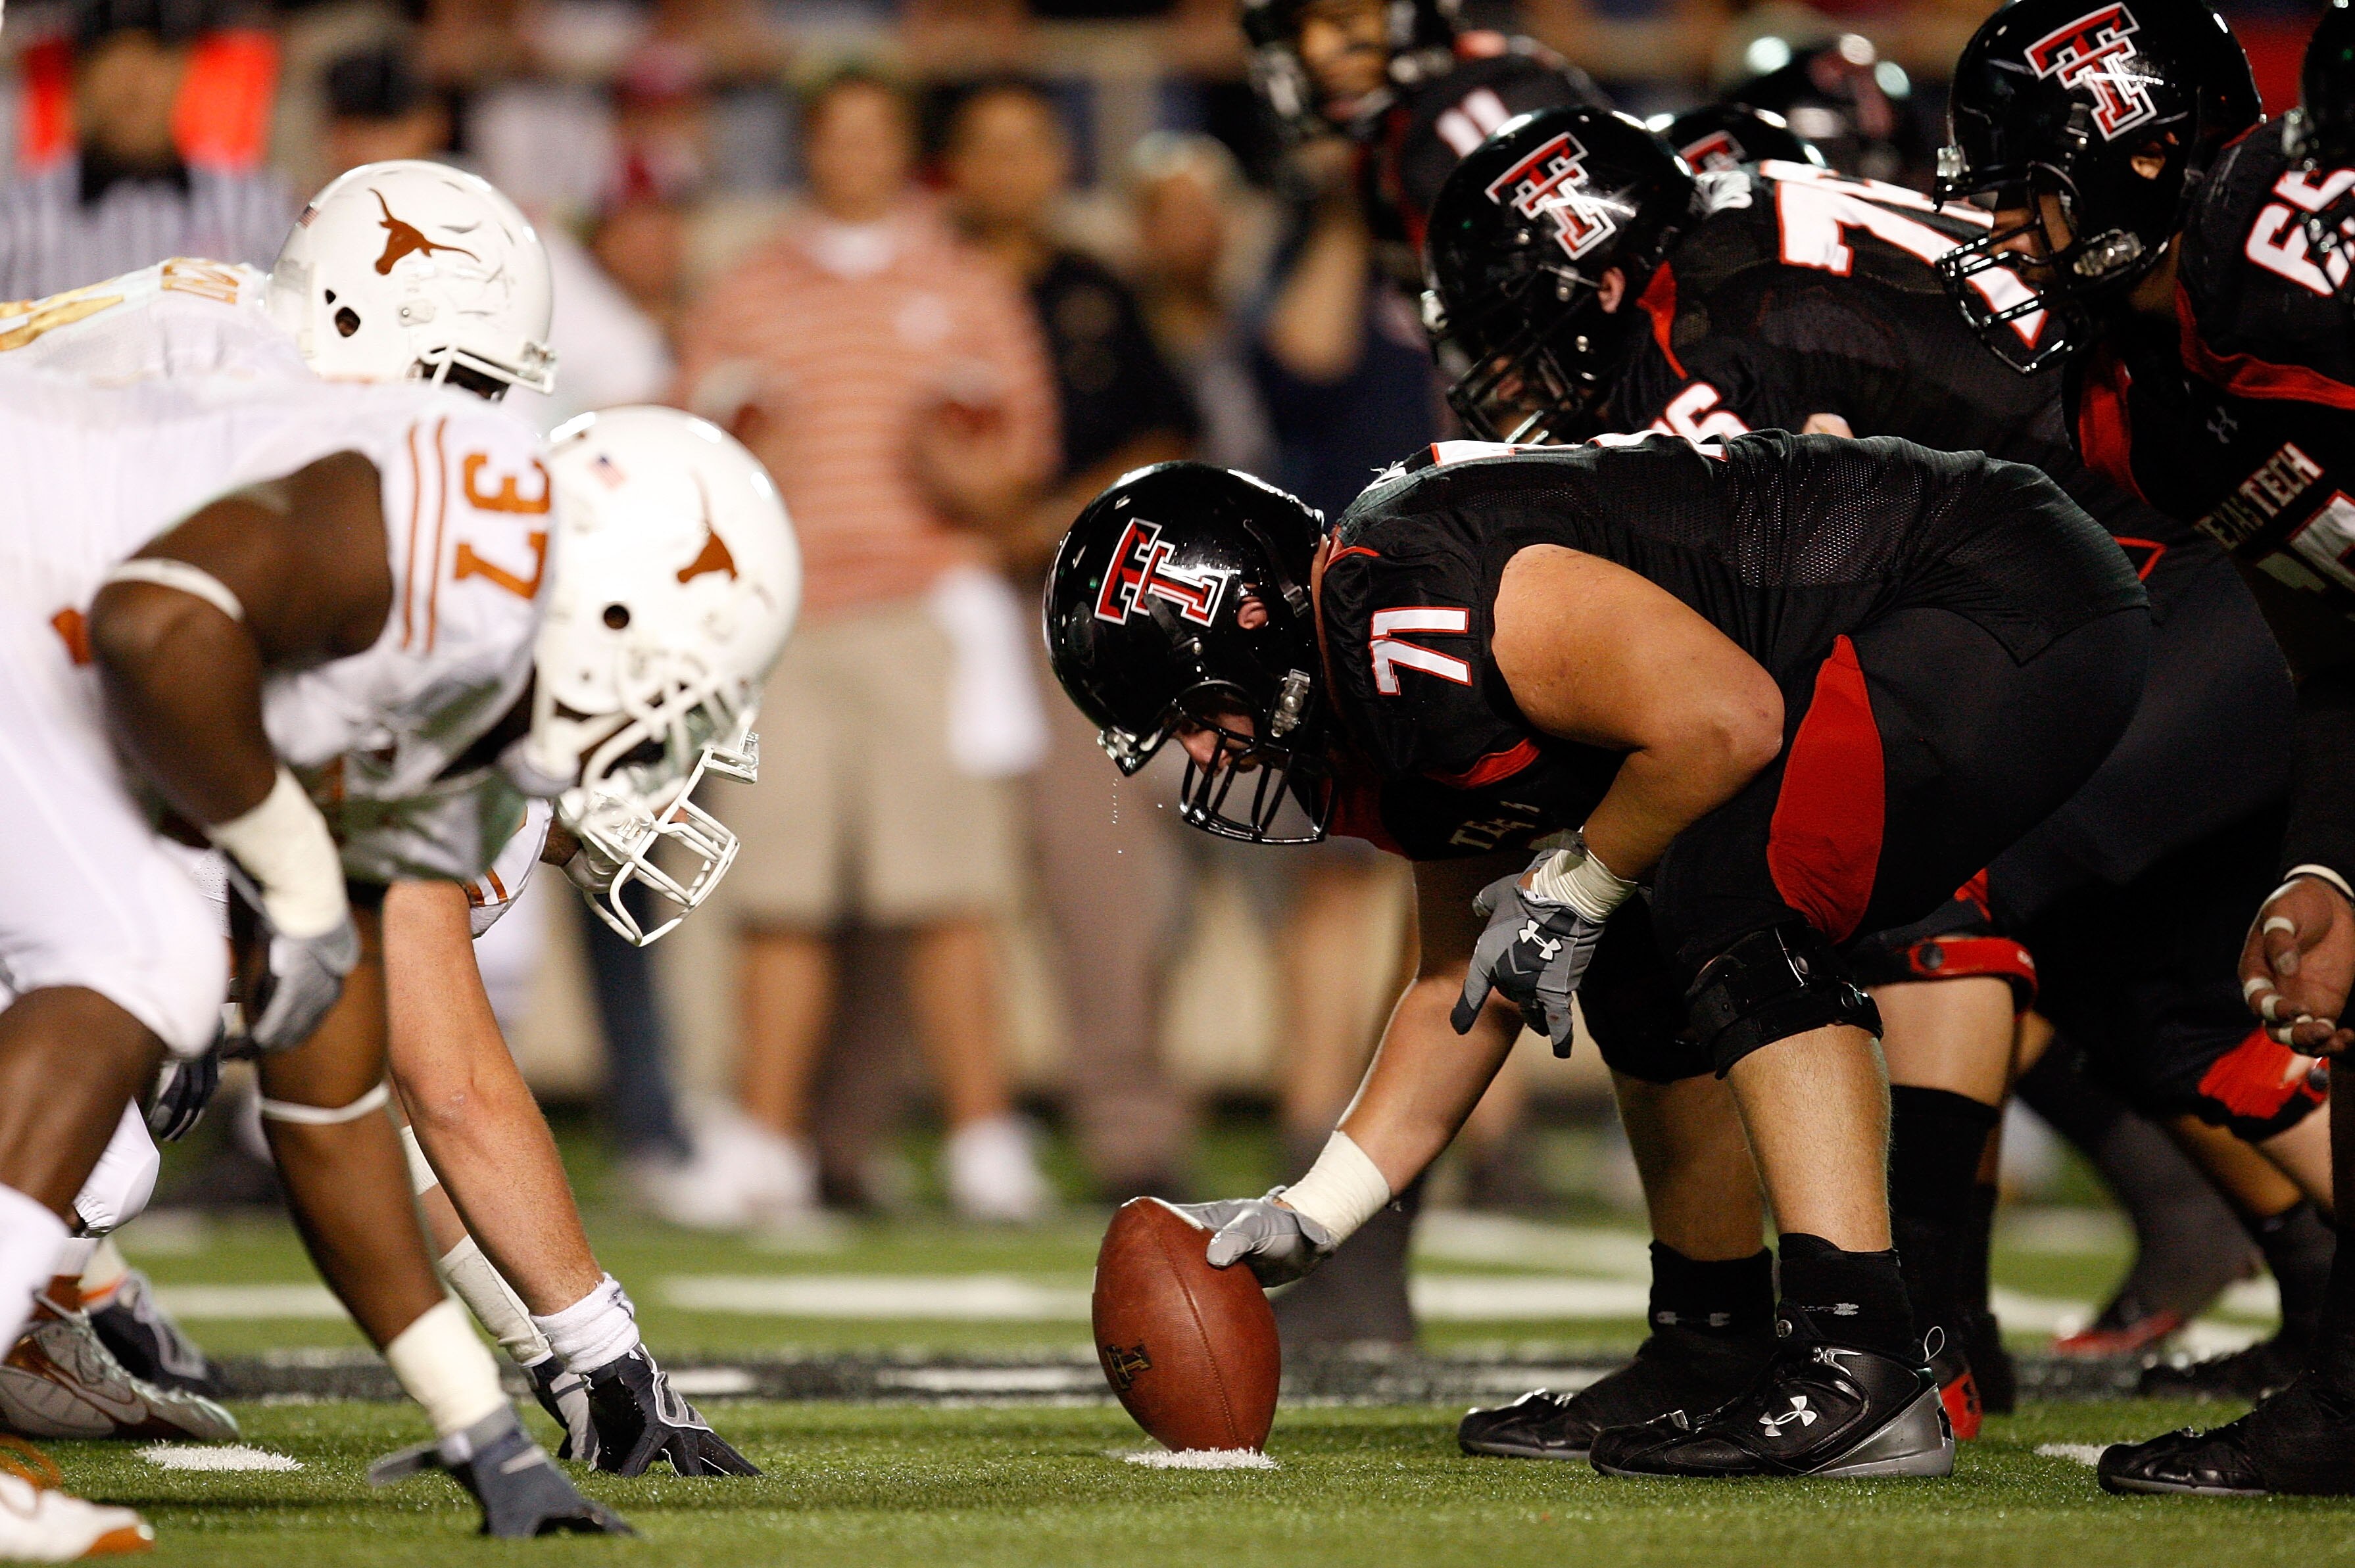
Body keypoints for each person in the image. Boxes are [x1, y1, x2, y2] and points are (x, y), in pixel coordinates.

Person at [1419, 105, 2324, 1447]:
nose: (1500, 372)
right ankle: (2291, 1283)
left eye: (1510, 325)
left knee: (1898, 875)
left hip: (2161, 572)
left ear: (1594, 271)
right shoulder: (1743, 255)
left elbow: (1801, 622)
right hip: (2161, 572)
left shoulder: (1701, 325)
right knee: (2158, 1002)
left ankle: (1922, 1331)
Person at [1046, 430, 2151, 1479]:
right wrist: (1314, 1211)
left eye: (1189, 709)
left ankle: (1858, 1356)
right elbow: (1459, 986)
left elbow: (1726, 721)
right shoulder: (1378, 694)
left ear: (1247, 614)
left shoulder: (1397, 603)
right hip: (1927, 620)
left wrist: (1575, 881)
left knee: (1724, 898)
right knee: (1623, 943)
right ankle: (1707, 1340)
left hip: (1986, 585)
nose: (1199, 748)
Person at [1935, 0, 2355, 1496]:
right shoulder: (2133, 399)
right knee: (2173, 943)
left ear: (2137, 153)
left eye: (2025, 181)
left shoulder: (2266, 238)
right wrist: (2320, 855)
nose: (2004, 225)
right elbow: (2323, 630)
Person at [675, 64, 1057, 1224]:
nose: (856, 154)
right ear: (809, 149)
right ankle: (764, 1144)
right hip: (787, 620)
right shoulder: (745, 288)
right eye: (836, 135)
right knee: (781, 897)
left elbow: (1021, 458)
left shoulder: (967, 280)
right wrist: (741, 459)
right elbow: (687, 458)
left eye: (877, 133)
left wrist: (967, 471)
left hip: (918, 612)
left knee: (947, 894)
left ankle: (985, 1141)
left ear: (904, 150)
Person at [940, 79, 1204, 1202]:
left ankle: (1124, 1121)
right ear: (951, 165)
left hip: (1067, 596)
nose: (1011, 169)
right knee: (913, 868)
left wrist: (1047, 517)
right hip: (930, 586)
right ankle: (836, 1128)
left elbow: (1161, 430)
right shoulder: (920, 280)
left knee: (1094, 857)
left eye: (1030, 145)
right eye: (987, 147)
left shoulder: (1094, 286)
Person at [0, 0, 291, 300]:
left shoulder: (254, 205)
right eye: (113, 60)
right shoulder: (18, 213)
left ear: (183, 69)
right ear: (81, 78)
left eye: (152, 58)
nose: (133, 83)